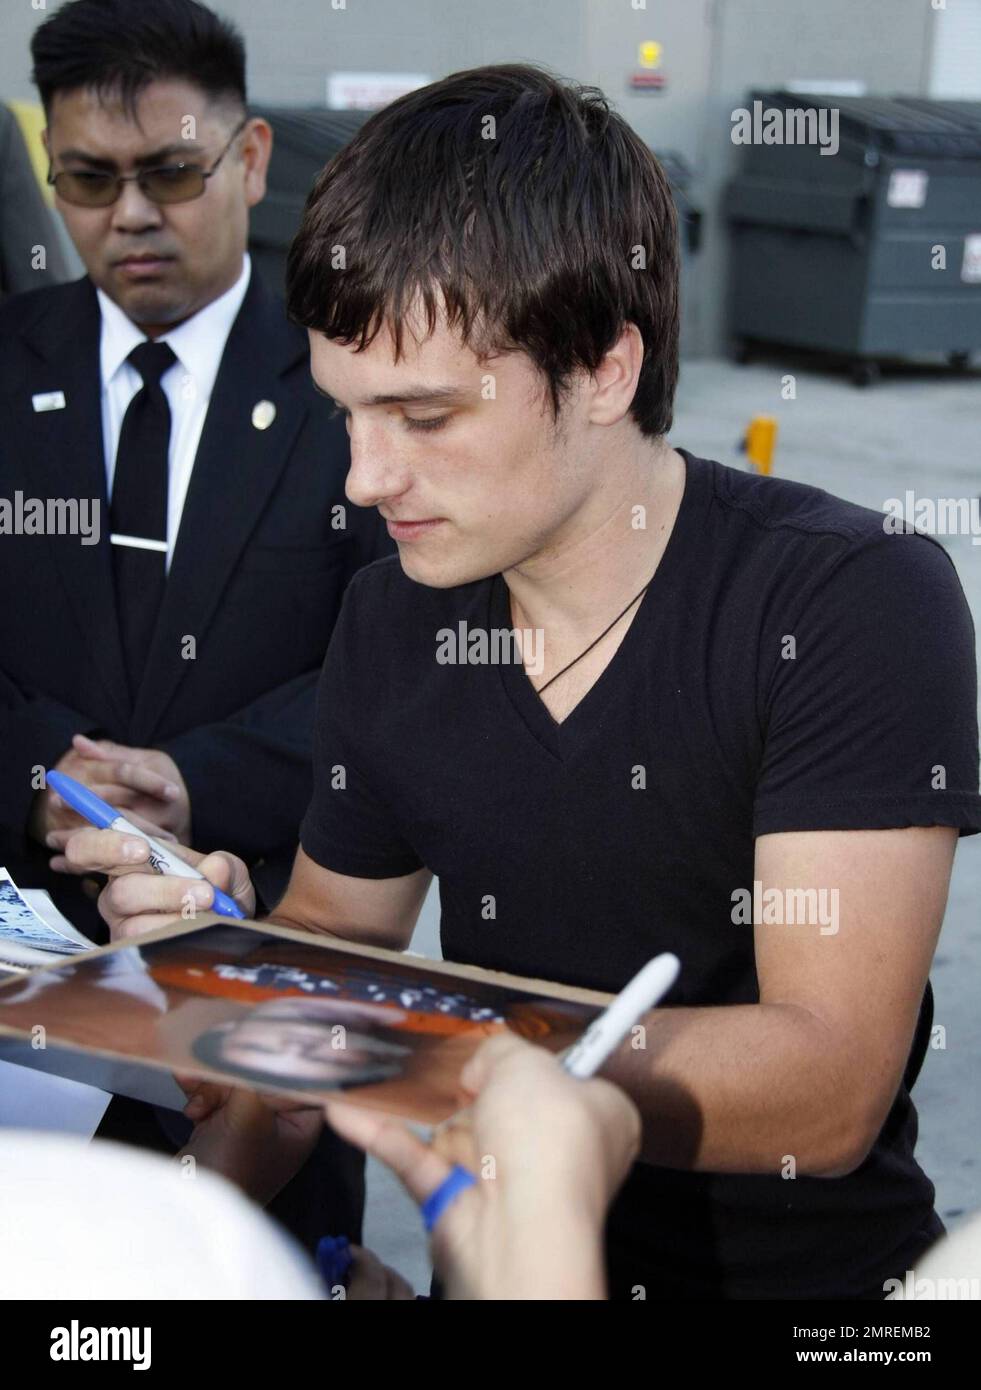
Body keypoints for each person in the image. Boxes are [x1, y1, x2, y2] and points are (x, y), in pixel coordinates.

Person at [64, 63, 981, 1300]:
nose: (364, 479)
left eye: (424, 418)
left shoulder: (847, 599)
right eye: (347, 415)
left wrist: (404, 1029)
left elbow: (824, 1084)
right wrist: (235, 965)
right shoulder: (394, 618)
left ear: (604, 368)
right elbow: (340, 938)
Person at [4, 0, 390, 1254]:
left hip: (262, 988)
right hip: (27, 1010)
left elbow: (402, 666)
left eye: (171, 171)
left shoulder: (355, 393)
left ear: (254, 158)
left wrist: (192, 777)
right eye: (86, 178)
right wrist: (41, 774)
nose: (129, 215)